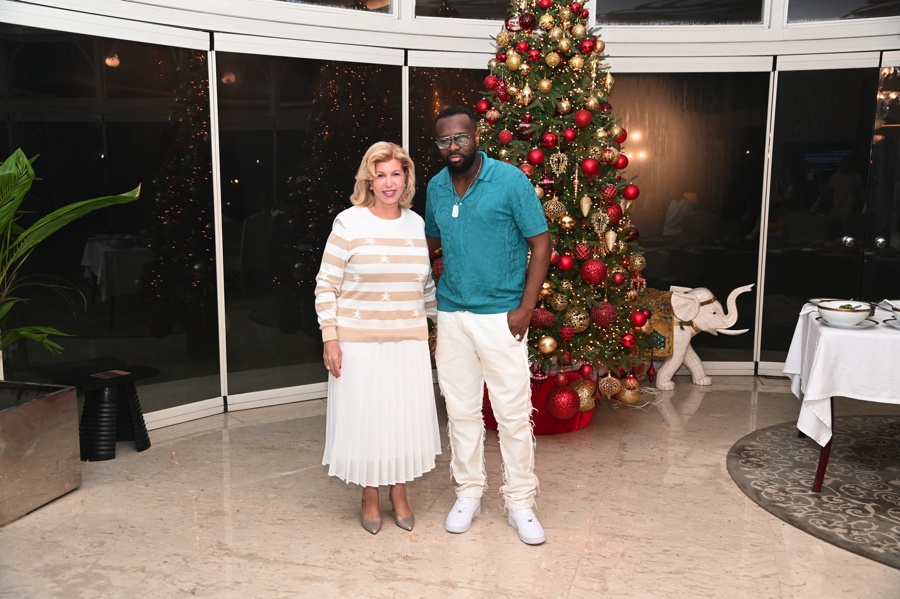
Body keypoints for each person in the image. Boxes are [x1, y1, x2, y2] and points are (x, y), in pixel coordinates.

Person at [424, 106, 552, 545]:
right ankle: (469, 492)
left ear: (476, 137)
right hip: (453, 314)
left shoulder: (510, 180)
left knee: (512, 413)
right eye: (444, 140)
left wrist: (526, 307)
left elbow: (541, 242)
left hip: (502, 316)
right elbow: (430, 242)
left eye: (460, 137)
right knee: (460, 410)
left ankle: (520, 501)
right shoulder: (436, 188)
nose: (453, 147)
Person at [314, 141, 441, 535]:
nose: (388, 183)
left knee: (402, 420)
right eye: (380, 174)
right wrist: (330, 337)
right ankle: (370, 495)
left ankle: (399, 492)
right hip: (359, 344)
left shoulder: (417, 224)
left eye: (395, 174)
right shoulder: (348, 222)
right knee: (369, 421)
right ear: (368, 180)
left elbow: (425, 288)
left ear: (407, 178)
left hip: (408, 342)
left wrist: (435, 330)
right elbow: (325, 285)